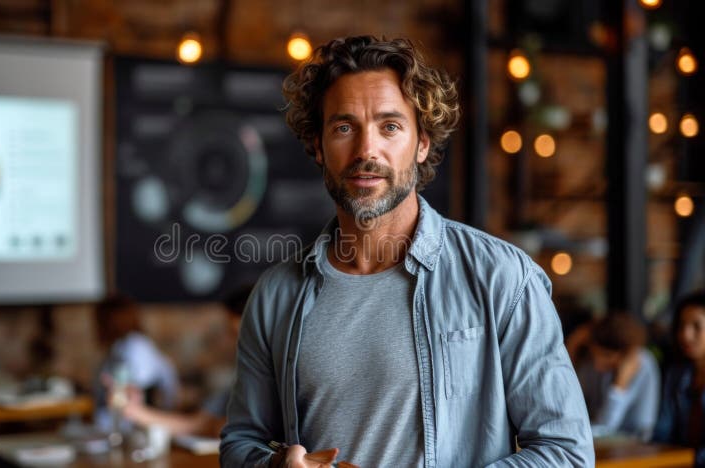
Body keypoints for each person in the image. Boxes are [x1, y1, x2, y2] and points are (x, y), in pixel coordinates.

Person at [219, 36, 594, 467]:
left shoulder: (503, 278)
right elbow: (239, 444)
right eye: (344, 127)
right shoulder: (275, 296)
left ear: (422, 144)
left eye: (390, 126)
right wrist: (275, 465)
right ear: (318, 145)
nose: (366, 151)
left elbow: (566, 453)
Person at [120, 285, 252, 437]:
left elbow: (224, 428)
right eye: (232, 333)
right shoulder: (243, 376)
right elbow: (199, 423)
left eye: (237, 333)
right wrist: (135, 411)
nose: (233, 341)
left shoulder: (276, 377)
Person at [92, 296, 180, 432]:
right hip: (130, 424)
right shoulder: (120, 347)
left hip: (142, 426)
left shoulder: (136, 347)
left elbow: (135, 394)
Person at [570, 312, 660, 439]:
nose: (598, 364)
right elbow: (574, 406)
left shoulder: (641, 363)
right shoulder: (592, 362)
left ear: (626, 353)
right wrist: (572, 347)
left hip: (634, 441)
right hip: (598, 438)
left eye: (607, 356)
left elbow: (608, 425)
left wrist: (619, 384)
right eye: (595, 355)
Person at [653, 291, 705, 467]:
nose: (686, 335)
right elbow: (662, 432)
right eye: (681, 326)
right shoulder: (676, 375)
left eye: (696, 326)